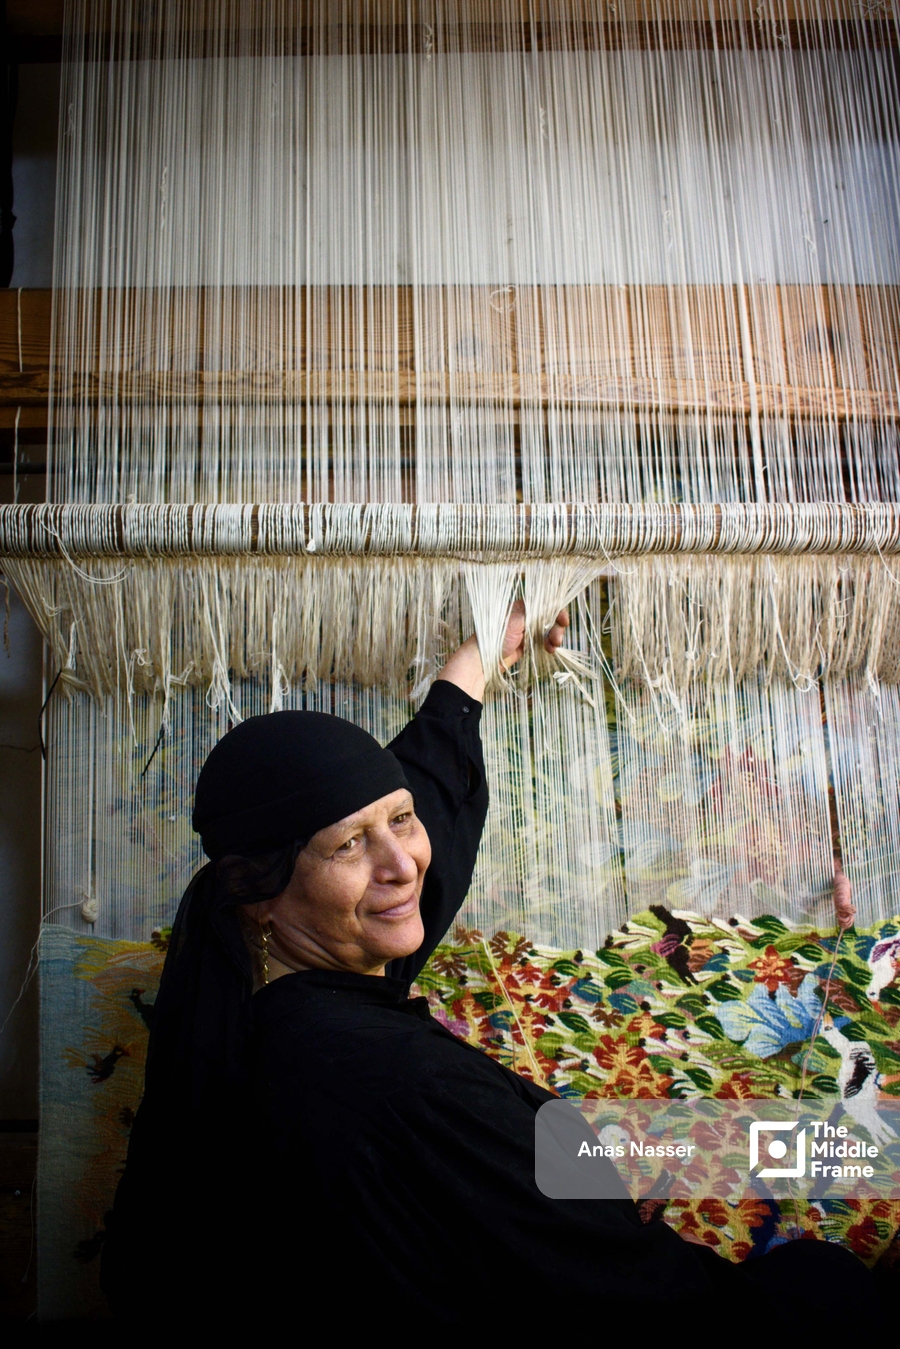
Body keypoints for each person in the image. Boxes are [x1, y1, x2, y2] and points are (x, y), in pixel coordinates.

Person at [101, 605, 889, 1332]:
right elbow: (622, 1300)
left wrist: (472, 669)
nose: (403, 864)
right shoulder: (396, 1086)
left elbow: (405, 826)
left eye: (400, 821)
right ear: (262, 894)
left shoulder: (250, 983)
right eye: (349, 845)